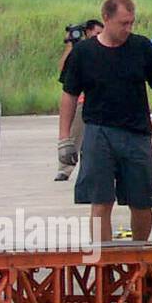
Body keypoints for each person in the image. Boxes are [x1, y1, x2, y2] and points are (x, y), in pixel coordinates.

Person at [58, 0, 152, 243]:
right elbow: (69, 95)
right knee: (101, 201)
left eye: (131, 23)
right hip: (98, 133)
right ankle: (106, 259)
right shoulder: (84, 53)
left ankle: (138, 255)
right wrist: (64, 139)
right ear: (106, 18)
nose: (128, 28)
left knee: (142, 201)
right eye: (123, 23)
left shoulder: (141, 47)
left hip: (136, 134)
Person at [55, 19, 103, 182]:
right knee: (74, 135)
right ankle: (65, 168)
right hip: (81, 100)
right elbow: (63, 71)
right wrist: (70, 45)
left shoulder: (103, 49)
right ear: (87, 32)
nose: (98, 36)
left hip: (98, 101)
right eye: (96, 33)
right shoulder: (79, 51)